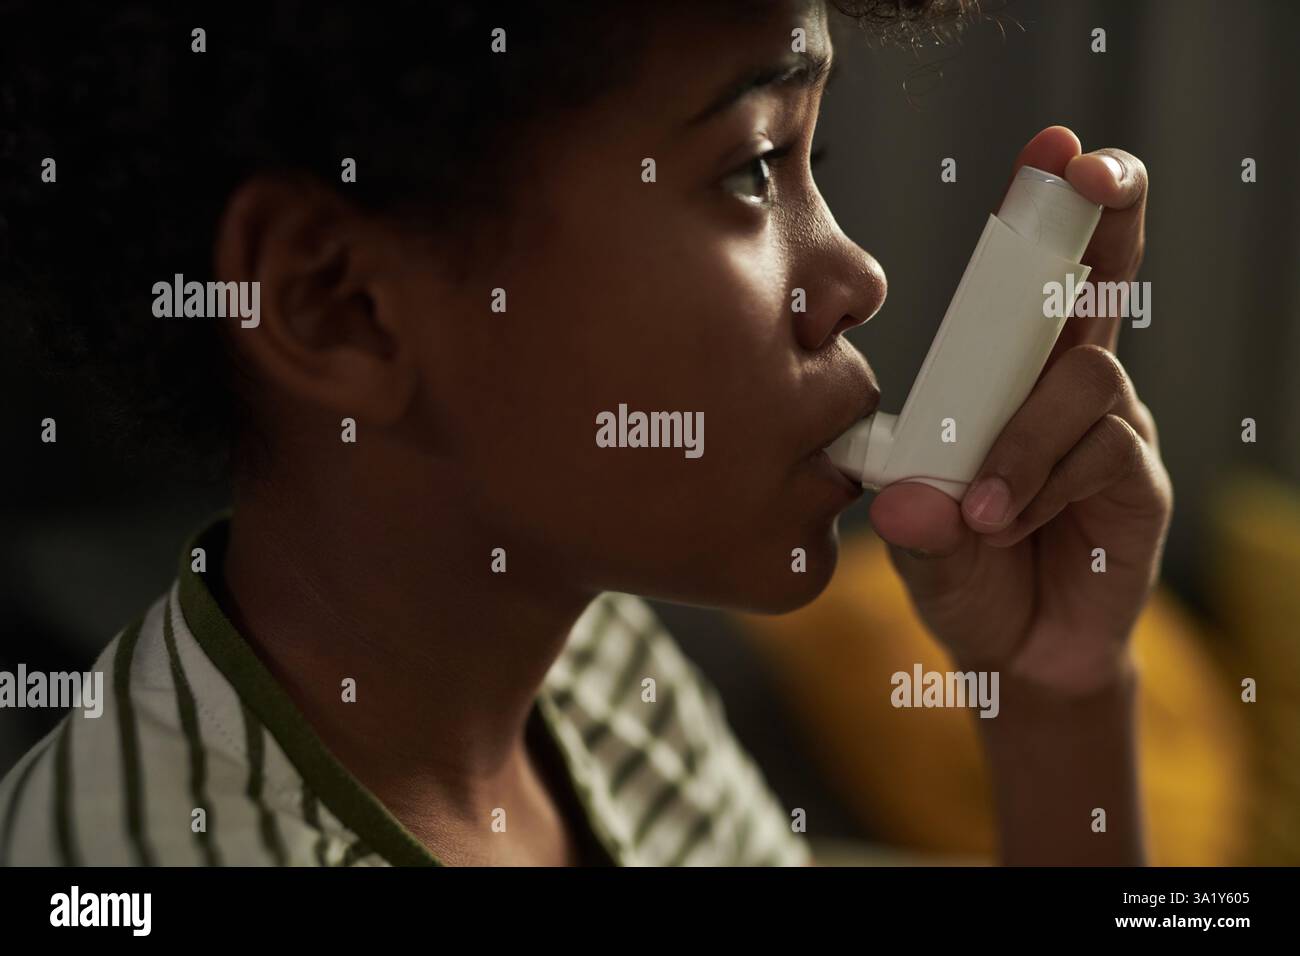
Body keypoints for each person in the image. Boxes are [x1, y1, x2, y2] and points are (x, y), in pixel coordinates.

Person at [0, 0, 1170, 866]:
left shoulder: (600, 683)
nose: (855, 279)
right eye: (755, 166)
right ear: (335, 303)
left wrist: (1054, 695)